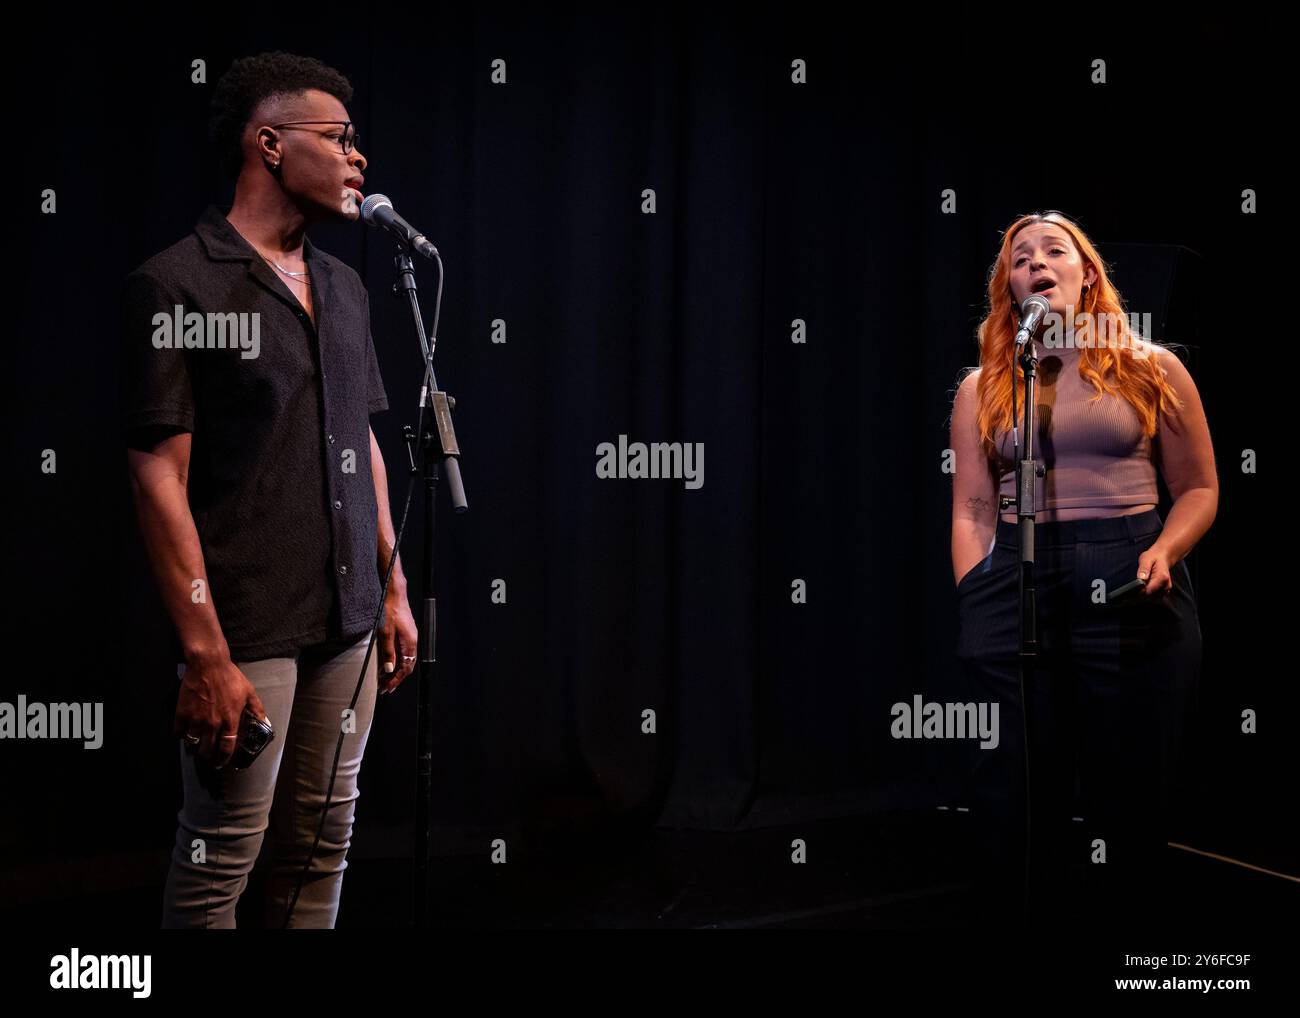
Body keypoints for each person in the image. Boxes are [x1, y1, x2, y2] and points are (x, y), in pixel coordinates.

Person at [121, 51, 420, 928]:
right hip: (246, 625)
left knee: (320, 851)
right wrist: (205, 653)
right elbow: (156, 476)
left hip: (348, 622)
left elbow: (360, 440)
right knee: (223, 861)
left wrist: (392, 585)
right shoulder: (178, 282)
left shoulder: (345, 284)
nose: (358, 157)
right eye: (338, 138)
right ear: (270, 144)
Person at [948, 211, 1217, 927]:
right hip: (1016, 577)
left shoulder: (1152, 366)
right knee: (1014, 789)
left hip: (1128, 572)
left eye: (1052, 250)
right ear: (1009, 287)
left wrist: (1165, 550)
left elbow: (1198, 488)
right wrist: (978, 595)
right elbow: (971, 505)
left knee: (1131, 789)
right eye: (1018, 258)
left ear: (1087, 272)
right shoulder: (986, 386)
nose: (1034, 262)